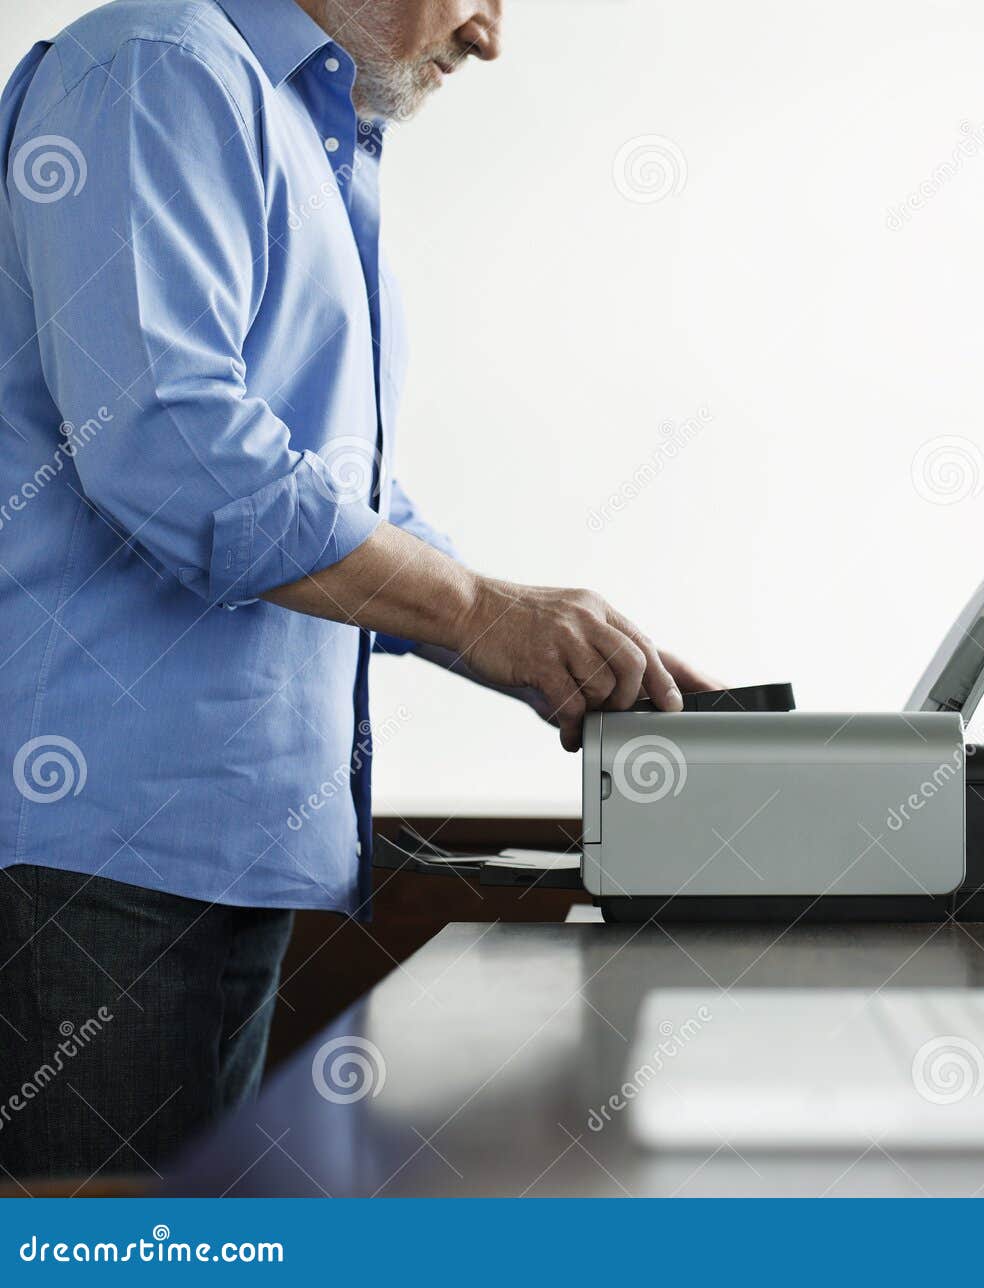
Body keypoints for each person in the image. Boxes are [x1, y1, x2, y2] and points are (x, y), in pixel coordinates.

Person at [0, 0, 711, 1182]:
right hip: (104, 849)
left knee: (180, 1254)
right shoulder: (154, 69)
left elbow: (325, 490)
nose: (491, 34)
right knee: (115, 1256)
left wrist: (520, 627)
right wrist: (482, 615)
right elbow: (174, 446)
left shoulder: (273, 112)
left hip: (199, 844)